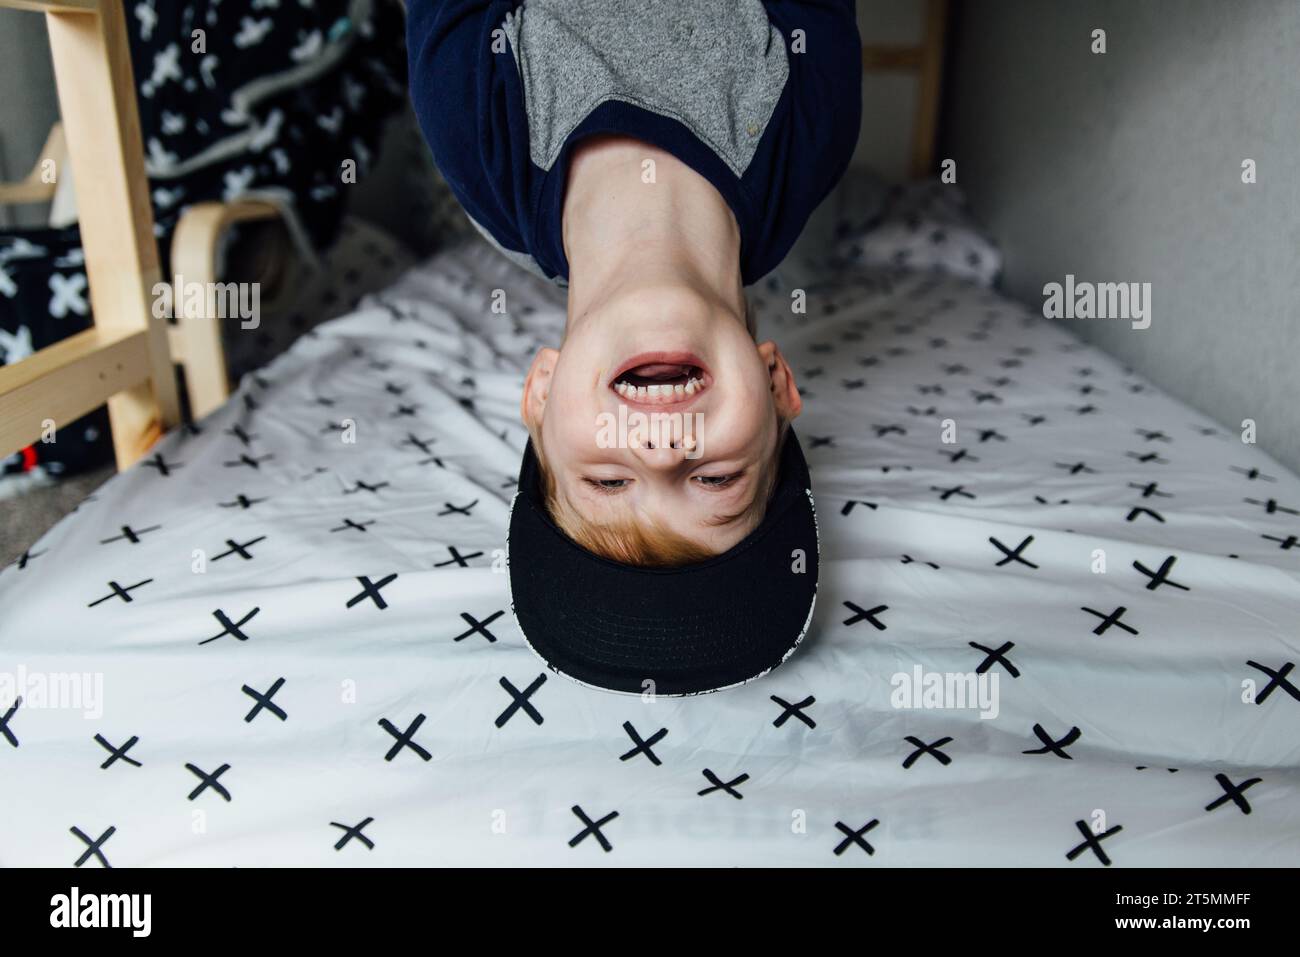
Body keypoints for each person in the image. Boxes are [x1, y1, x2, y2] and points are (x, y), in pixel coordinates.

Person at [407, 0, 861, 695]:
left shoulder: (478, 135)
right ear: (776, 386)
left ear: (540, 393)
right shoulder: (810, 129)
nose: (662, 449)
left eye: (608, 482)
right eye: (715, 481)